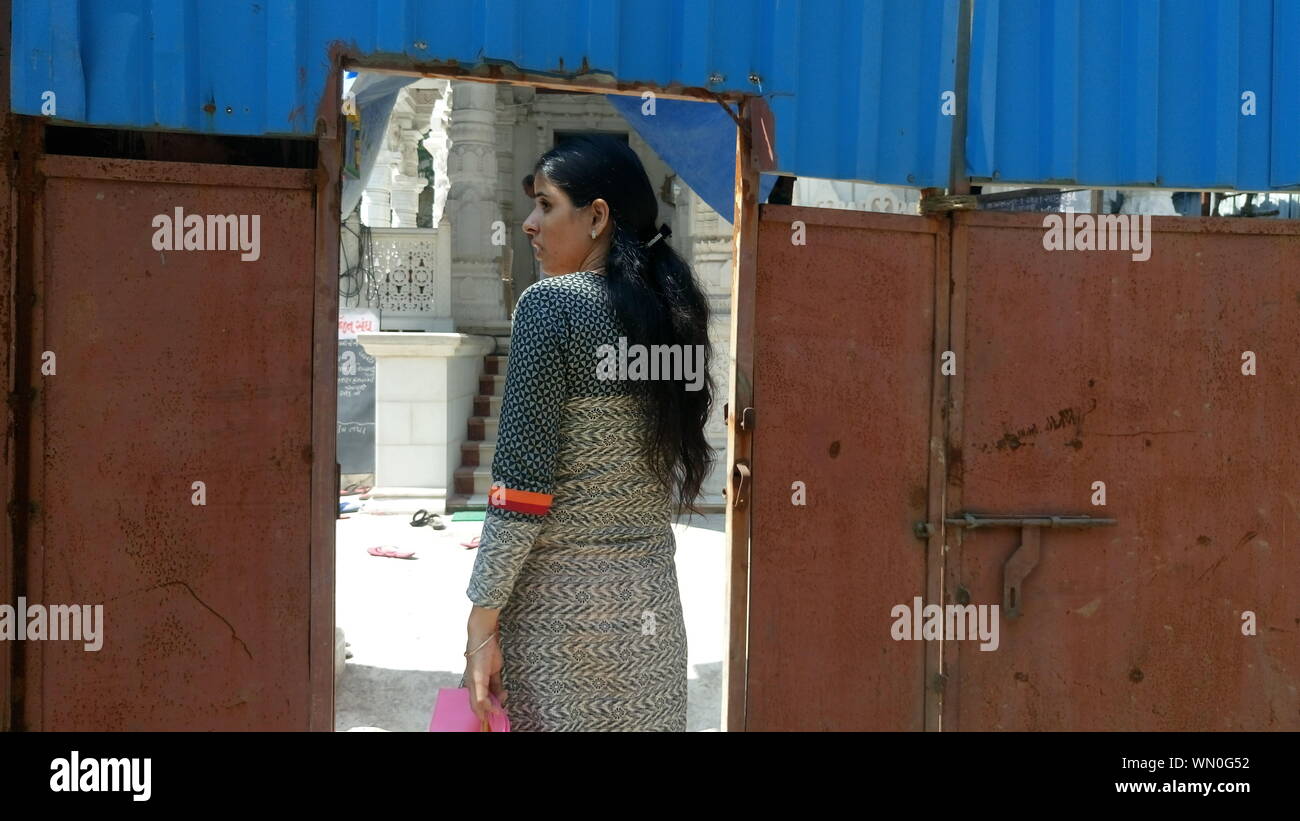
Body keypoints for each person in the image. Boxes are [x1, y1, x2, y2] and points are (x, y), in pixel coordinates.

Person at [458, 134, 715, 731]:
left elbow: (521, 491)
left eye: (546, 204)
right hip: (649, 618)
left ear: (597, 216)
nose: (528, 223)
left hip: (555, 621)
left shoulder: (551, 306)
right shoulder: (671, 315)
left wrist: (481, 620)